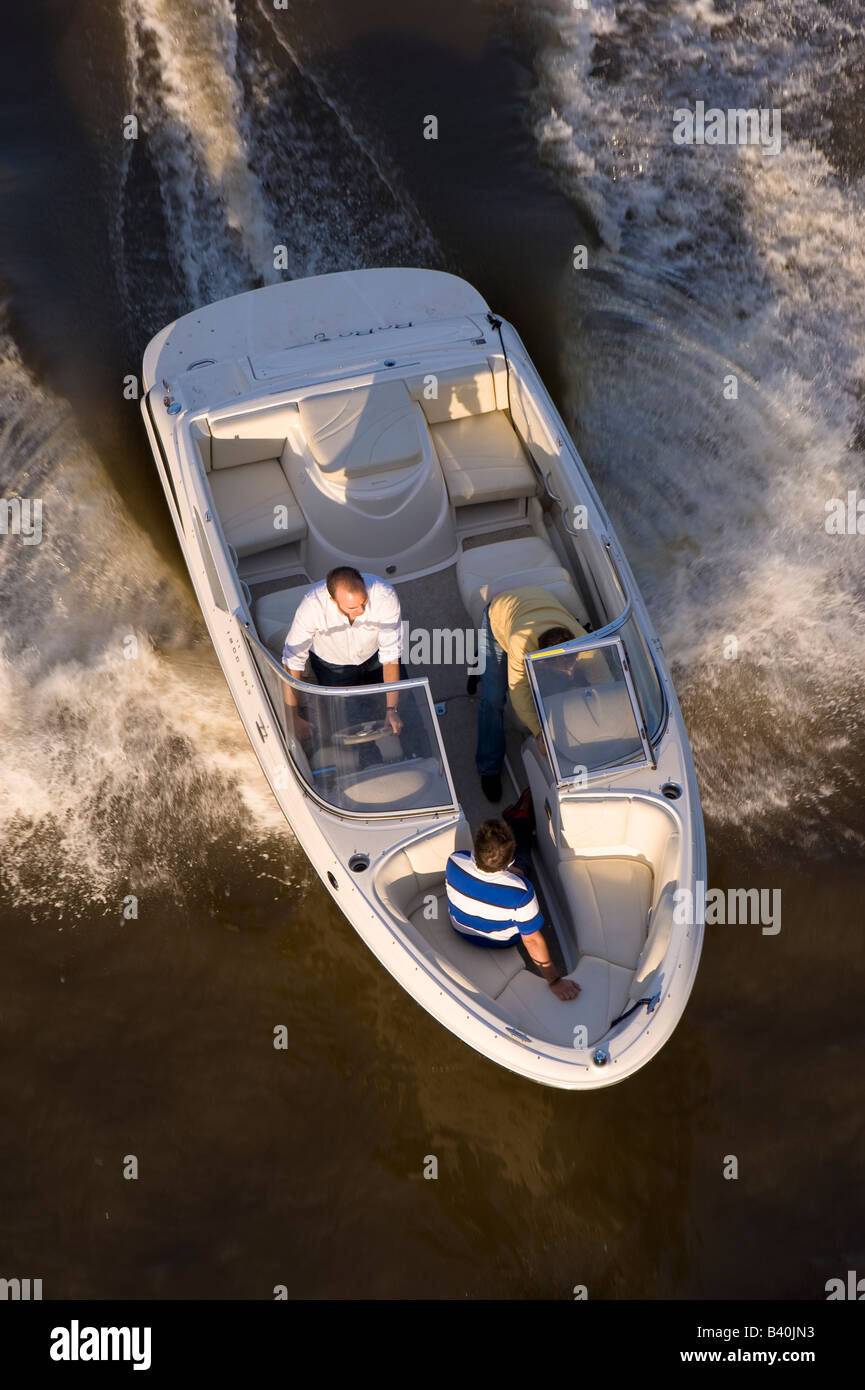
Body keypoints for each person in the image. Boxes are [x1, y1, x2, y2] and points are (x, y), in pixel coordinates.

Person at [445, 814, 580, 1001]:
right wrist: (555, 981)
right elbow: (532, 941)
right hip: (499, 943)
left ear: (475, 847)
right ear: (509, 861)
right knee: (524, 860)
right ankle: (523, 823)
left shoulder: (454, 861)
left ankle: (521, 819)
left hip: (459, 929)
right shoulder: (522, 894)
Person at [475, 585, 586, 801]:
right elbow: (519, 693)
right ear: (541, 661)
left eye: (572, 663)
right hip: (500, 616)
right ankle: (488, 768)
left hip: (538, 599)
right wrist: (539, 733)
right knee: (493, 697)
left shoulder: (583, 641)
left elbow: (604, 680)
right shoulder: (520, 643)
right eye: (565, 669)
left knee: (579, 682)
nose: (571, 671)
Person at [281, 566, 404, 744]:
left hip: (376, 655)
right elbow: (292, 660)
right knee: (351, 728)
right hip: (332, 665)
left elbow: (391, 655)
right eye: (352, 607)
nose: (361, 611)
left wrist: (392, 709)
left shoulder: (385, 596)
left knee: (406, 713)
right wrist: (292, 717)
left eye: (364, 602)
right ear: (333, 600)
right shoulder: (312, 606)